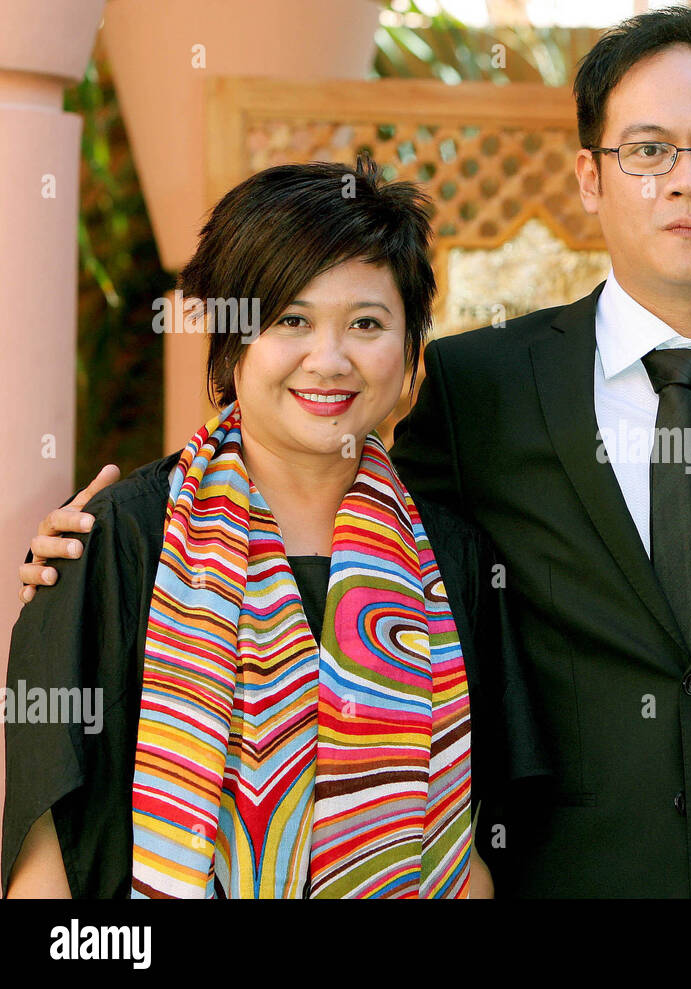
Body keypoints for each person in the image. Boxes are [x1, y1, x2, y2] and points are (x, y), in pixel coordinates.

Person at [19, 8, 691, 897]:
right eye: (648, 150)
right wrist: (95, 552)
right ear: (590, 176)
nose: (687, 181)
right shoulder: (483, 392)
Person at [3, 158, 541, 898]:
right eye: (290, 319)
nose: (329, 359)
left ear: (412, 340)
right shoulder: (112, 544)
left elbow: (467, 850)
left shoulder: (453, 559)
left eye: (366, 323)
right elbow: (43, 865)